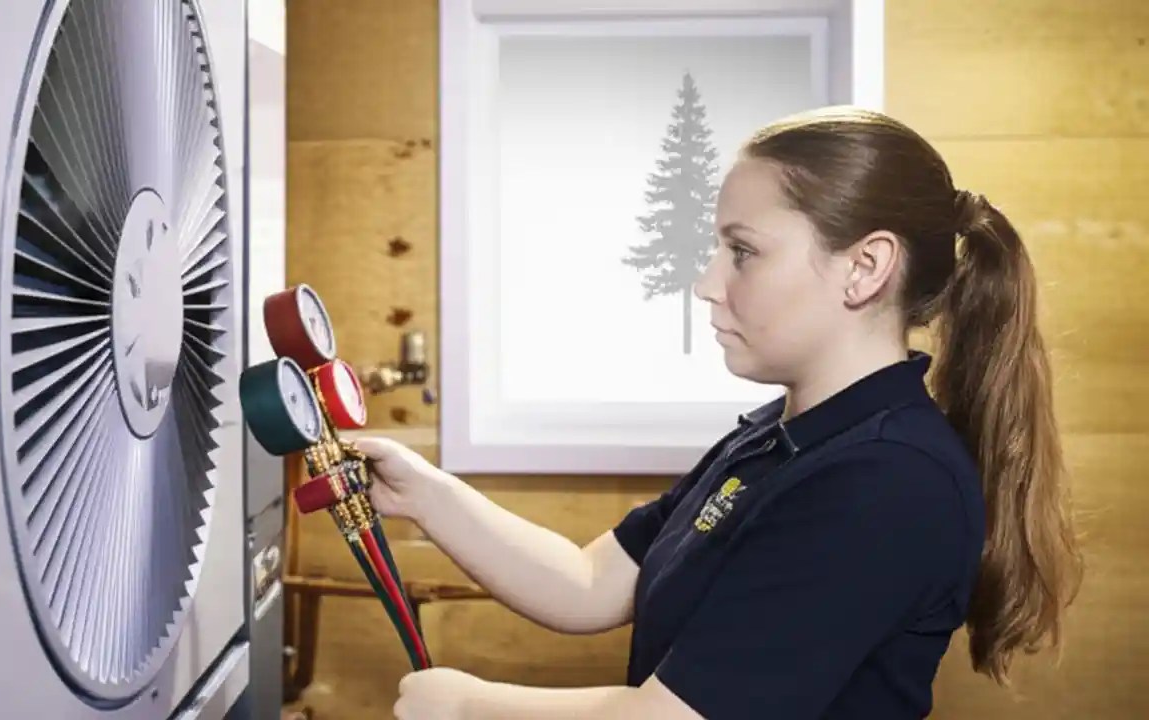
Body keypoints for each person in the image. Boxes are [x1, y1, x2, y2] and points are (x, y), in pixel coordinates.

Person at [362, 105, 1084, 720]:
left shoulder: (887, 481)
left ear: (864, 267)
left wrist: (469, 705)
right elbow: (591, 584)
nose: (707, 283)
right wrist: (425, 493)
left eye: (743, 252)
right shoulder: (780, 436)